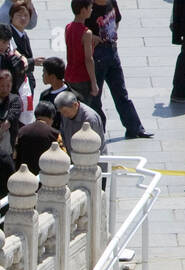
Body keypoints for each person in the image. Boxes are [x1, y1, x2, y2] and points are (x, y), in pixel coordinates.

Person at [85, 0, 152, 139]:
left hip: (111, 50)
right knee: (95, 97)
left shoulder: (111, 2)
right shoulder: (89, 7)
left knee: (121, 92)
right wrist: (94, 38)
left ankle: (134, 128)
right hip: (96, 54)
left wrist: (112, 32)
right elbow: (81, 28)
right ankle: (97, 131)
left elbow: (117, 20)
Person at [53, 89, 106, 155]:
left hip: (91, 158)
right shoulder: (65, 115)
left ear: (75, 105)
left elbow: (93, 144)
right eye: (60, 112)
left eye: (65, 111)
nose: (63, 115)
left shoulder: (90, 119)